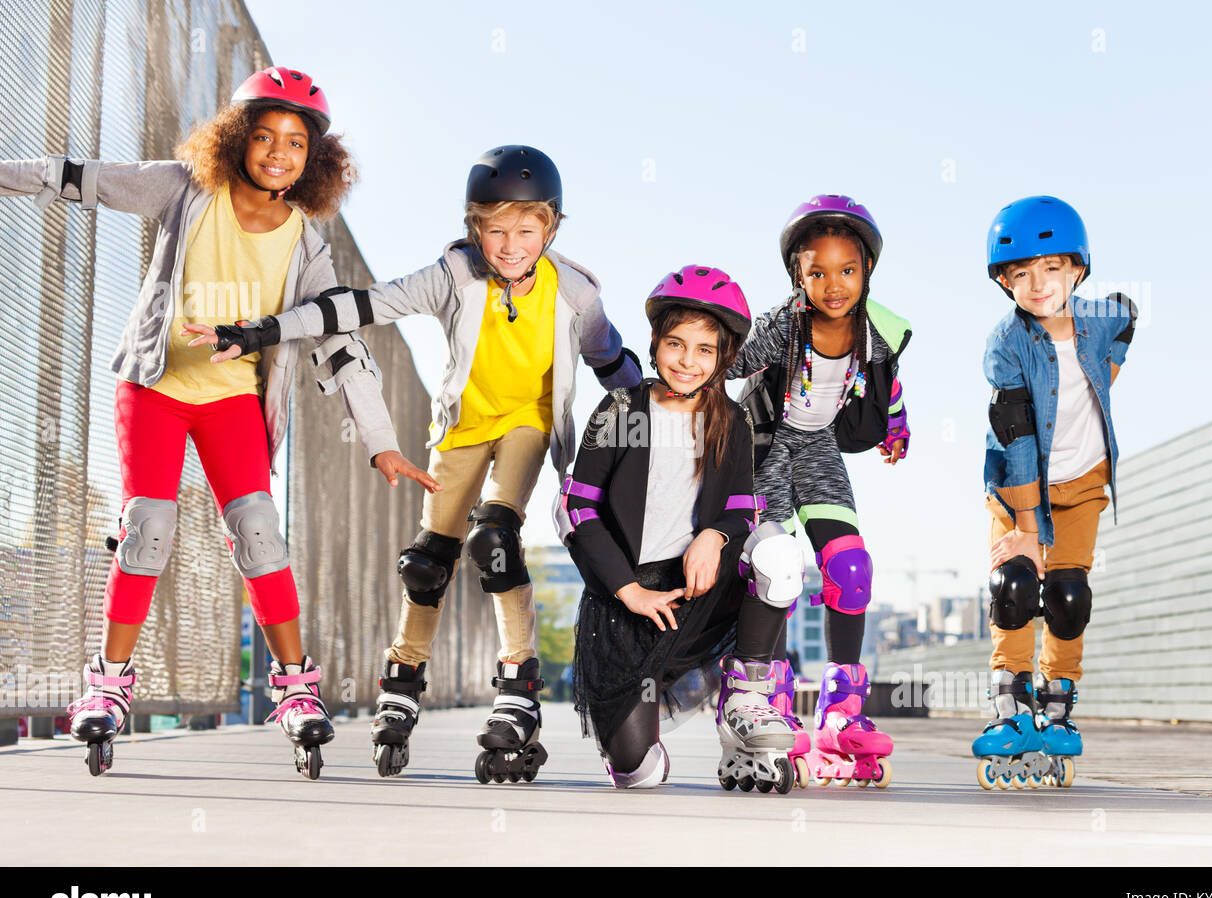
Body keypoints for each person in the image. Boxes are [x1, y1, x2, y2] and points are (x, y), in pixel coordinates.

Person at [0, 67, 430, 778]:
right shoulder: (184, 189)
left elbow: (342, 344)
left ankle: (293, 687)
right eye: (262, 136)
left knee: (258, 527)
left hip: (234, 397)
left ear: (315, 160)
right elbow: (75, 177)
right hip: (157, 385)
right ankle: (108, 681)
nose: (277, 152)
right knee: (149, 526)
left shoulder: (305, 245)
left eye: (295, 142)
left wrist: (381, 442)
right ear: (236, 140)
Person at [191, 145, 642, 781]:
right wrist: (264, 330)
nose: (509, 245)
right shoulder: (453, 274)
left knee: (495, 542)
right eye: (494, 230)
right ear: (473, 227)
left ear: (551, 228)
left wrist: (649, 402)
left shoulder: (574, 292)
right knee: (428, 563)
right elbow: (363, 305)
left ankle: (517, 684)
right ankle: (402, 683)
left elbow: (610, 359)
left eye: (525, 230)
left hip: (528, 425)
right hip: (459, 429)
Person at [562, 266, 805, 791]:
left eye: (704, 350)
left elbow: (744, 505)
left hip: (702, 590)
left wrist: (713, 536)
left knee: (779, 552)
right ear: (655, 343)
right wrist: (627, 590)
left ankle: (745, 696)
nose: (688, 362)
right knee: (637, 773)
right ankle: (646, 726)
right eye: (676, 344)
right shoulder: (622, 409)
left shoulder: (730, 420)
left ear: (723, 357)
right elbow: (579, 510)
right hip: (629, 605)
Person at [727, 195, 909, 788]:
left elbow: (886, 381)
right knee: (779, 567)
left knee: (851, 568)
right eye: (818, 272)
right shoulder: (787, 324)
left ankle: (841, 715)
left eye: (847, 271)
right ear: (798, 276)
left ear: (867, 272)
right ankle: (769, 700)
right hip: (769, 445)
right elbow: (734, 367)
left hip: (821, 447)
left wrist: (898, 423)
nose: (834, 285)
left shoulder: (878, 330)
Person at [973, 195, 1137, 790]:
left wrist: (1106, 375)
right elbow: (1016, 441)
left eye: (1051, 268)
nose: (1037, 284)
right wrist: (1023, 529)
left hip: (1085, 483)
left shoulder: (1100, 321)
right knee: (1014, 585)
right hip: (1020, 490)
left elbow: (1128, 314)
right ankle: (1011, 708)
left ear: (1076, 269)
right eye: (1020, 274)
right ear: (1004, 281)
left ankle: (1058, 700)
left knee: (1068, 594)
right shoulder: (1005, 345)